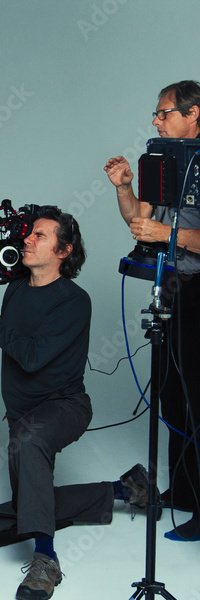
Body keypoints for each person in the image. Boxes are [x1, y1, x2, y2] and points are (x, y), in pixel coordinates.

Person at [0, 206, 148, 600]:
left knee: (29, 446)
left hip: (64, 406)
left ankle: (46, 560)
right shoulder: (17, 289)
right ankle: (127, 490)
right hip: (21, 412)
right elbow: (12, 340)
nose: (27, 239)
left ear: (63, 250)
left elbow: (33, 357)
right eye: (30, 233)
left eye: (39, 235)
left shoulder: (73, 300)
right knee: (29, 504)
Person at [103, 80, 200, 541]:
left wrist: (169, 236)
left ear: (194, 113)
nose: (156, 120)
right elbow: (140, 222)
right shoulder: (162, 158)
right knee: (172, 392)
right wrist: (124, 188)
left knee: (198, 396)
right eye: (157, 114)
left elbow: (165, 233)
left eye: (164, 113)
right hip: (173, 286)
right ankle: (183, 491)